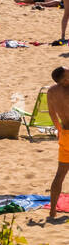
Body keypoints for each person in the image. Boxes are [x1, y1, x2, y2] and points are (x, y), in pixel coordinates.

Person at [49, 67, 69, 221]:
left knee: (60, 174)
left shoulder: (51, 92)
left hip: (65, 135)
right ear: (65, 80)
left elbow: (52, 114)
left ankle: (53, 211)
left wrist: (59, 130)